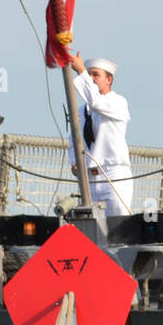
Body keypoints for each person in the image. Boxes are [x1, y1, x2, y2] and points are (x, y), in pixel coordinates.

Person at [68, 53, 133, 216]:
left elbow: (96, 102)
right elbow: (74, 139)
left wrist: (81, 71)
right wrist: (75, 162)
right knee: (91, 225)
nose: (92, 78)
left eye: (96, 75)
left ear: (109, 79)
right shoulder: (82, 110)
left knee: (117, 224)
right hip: (89, 176)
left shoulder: (118, 102)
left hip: (113, 173)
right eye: (89, 74)